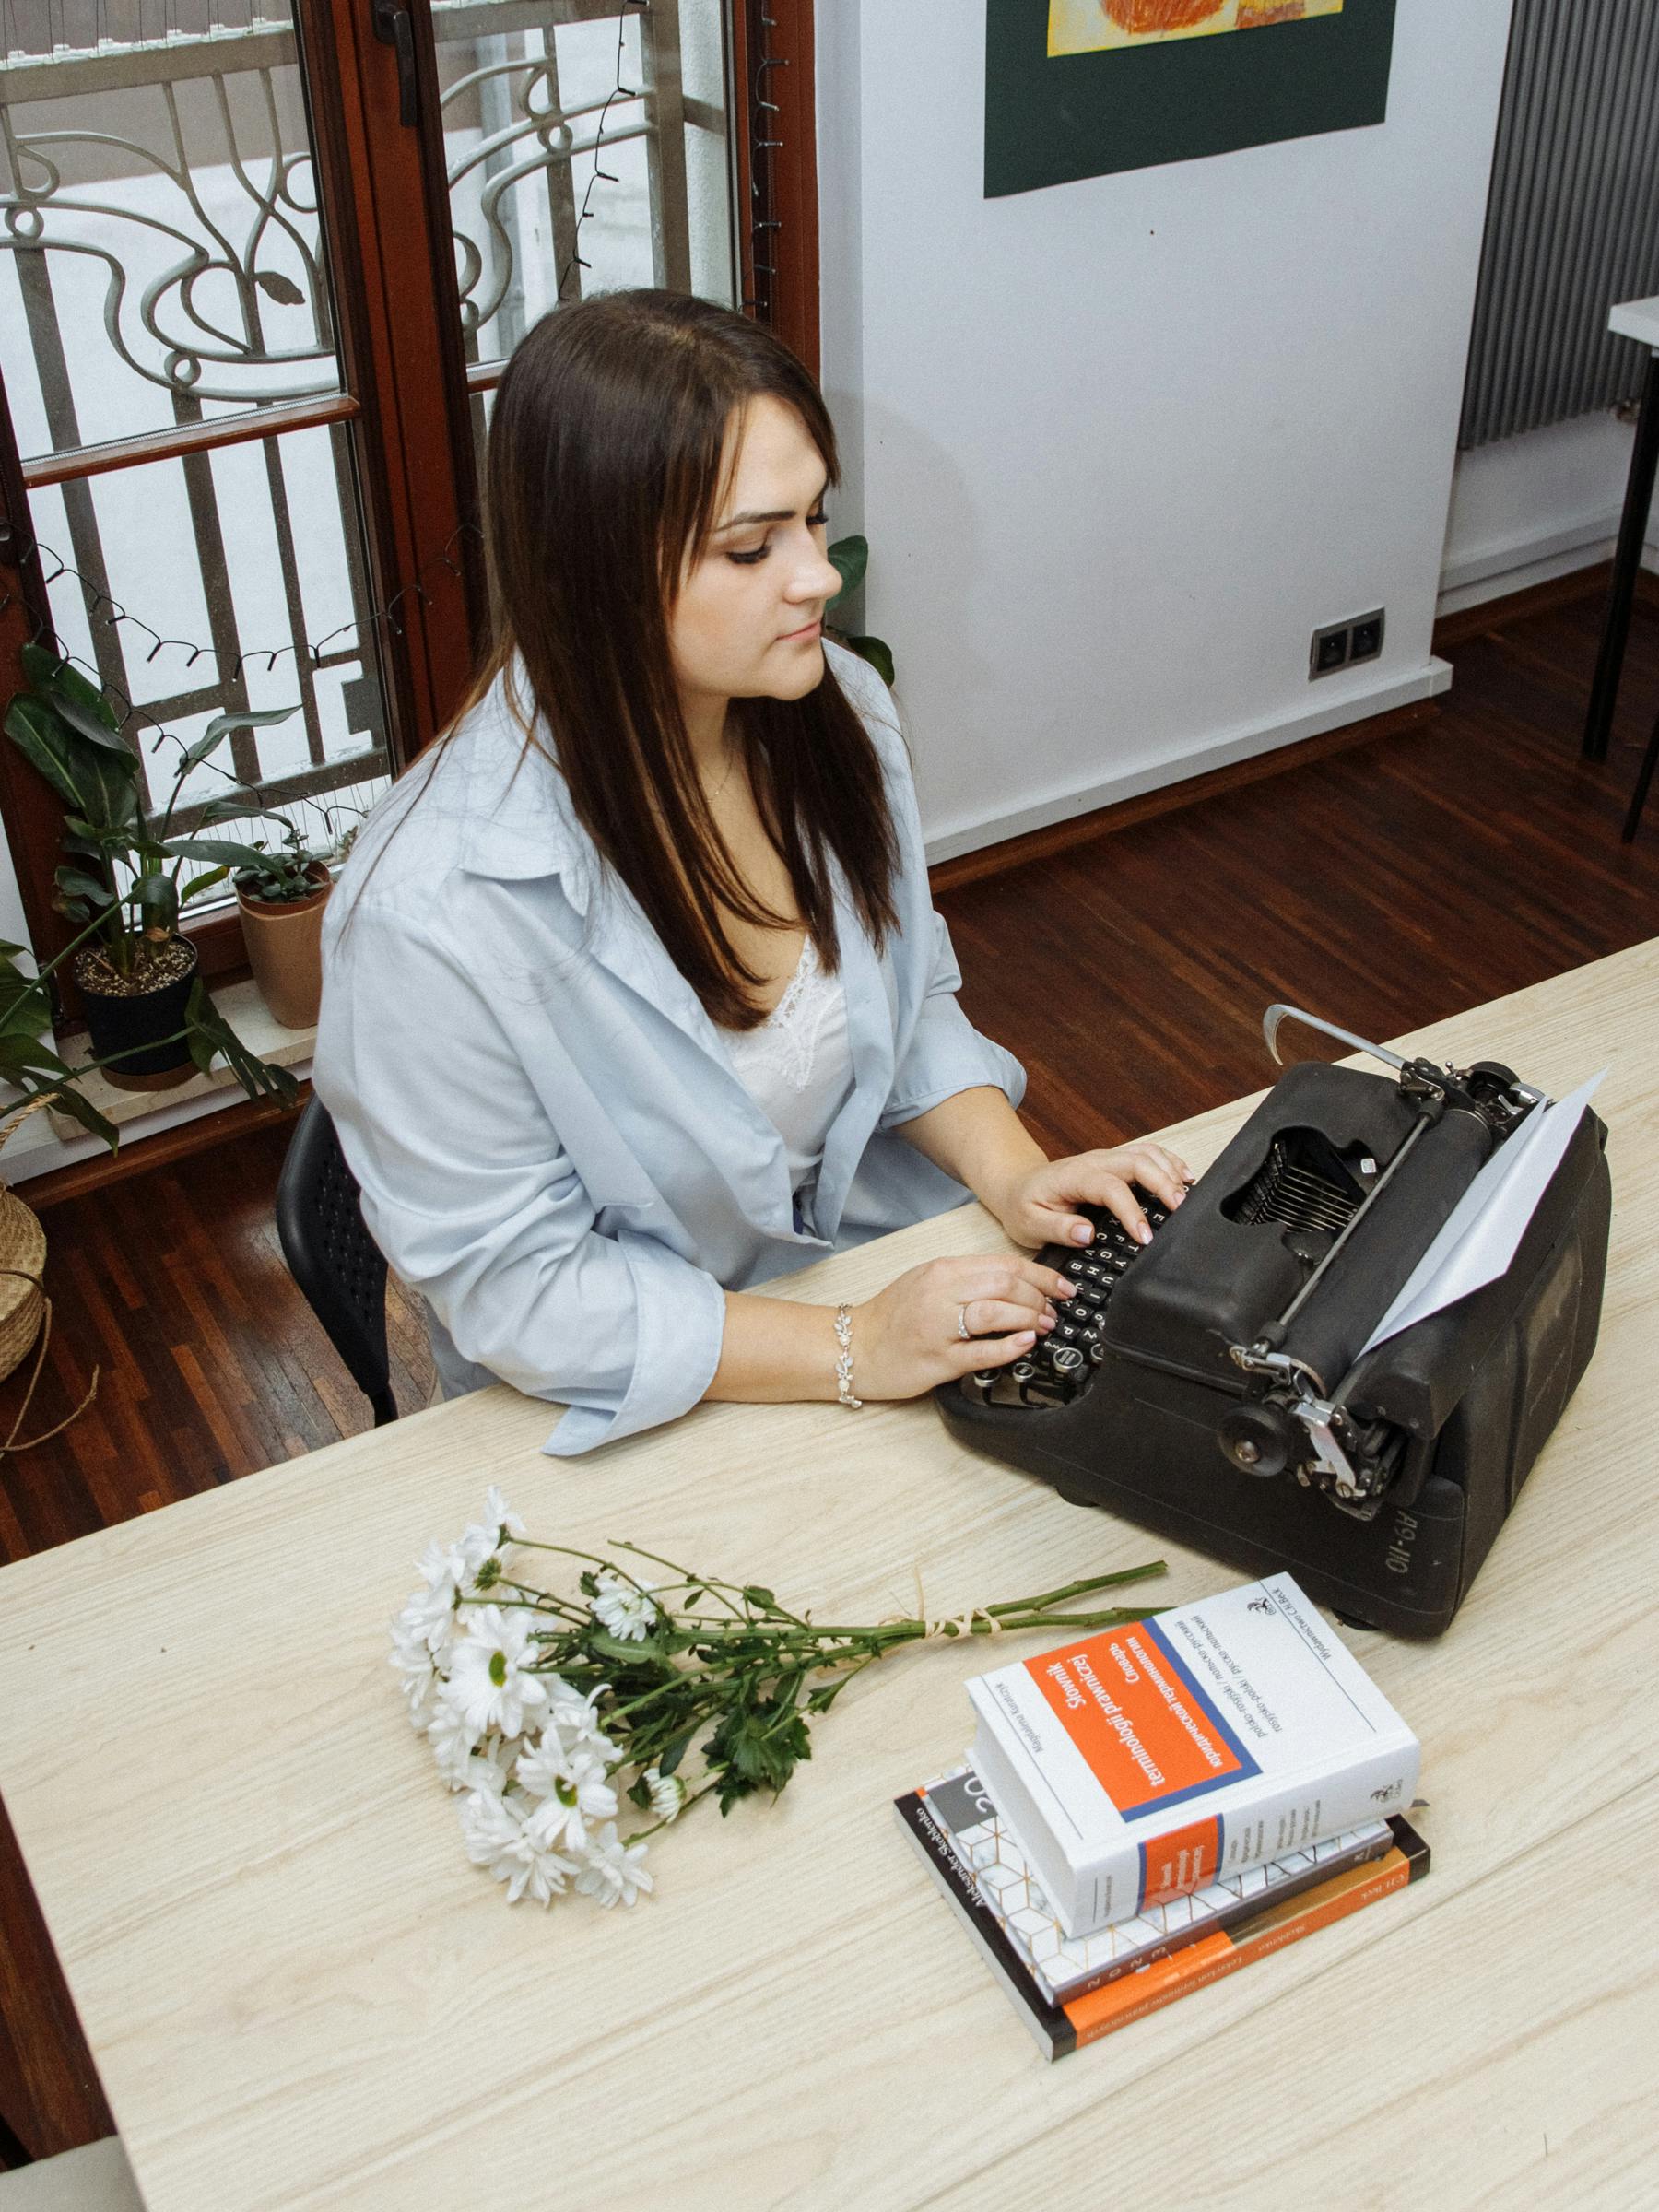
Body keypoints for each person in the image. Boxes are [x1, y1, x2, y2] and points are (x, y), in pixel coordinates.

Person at [313, 290, 1188, 1455]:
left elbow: (911, 1001)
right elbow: (523, 1294)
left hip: (889, 1281)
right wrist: (848, 1349)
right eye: (752, 546)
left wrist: (1018, 1175)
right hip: (647, 1385)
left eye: (816, 523)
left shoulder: (838, 715)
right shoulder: (427, 915)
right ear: (593, 566)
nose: (819, 579)